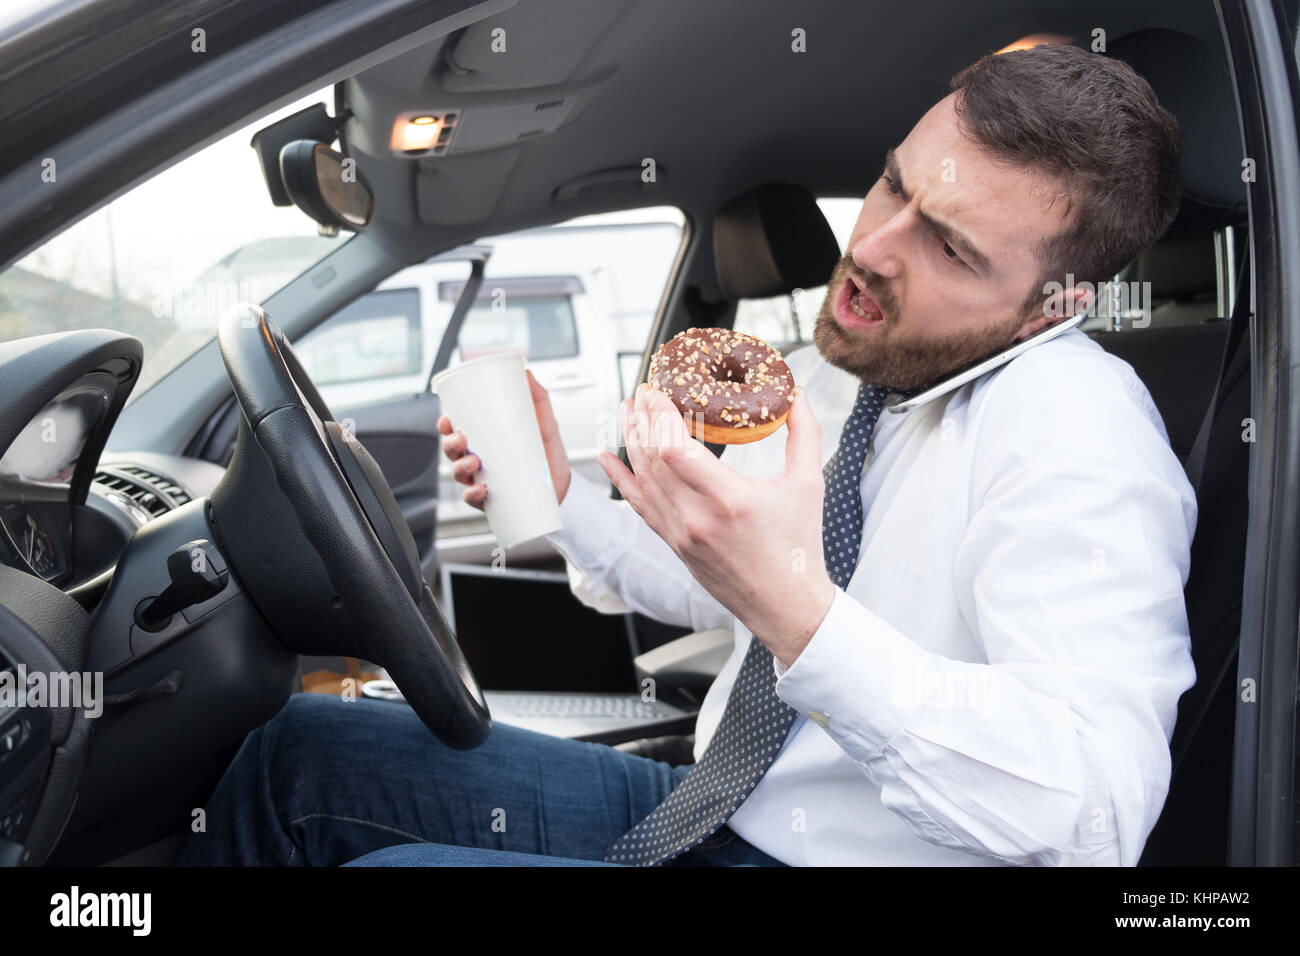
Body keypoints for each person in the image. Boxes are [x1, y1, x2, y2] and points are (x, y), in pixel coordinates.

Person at [177, 42, 1194, 867]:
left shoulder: (1080, 437)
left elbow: (1095, 811)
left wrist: (803, 618)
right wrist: (567, 493)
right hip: (714, 801)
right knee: (305, 753)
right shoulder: (853, 370)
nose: (874, 248)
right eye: (894, 188)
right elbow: (722, 577)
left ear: (1053, 306)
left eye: (953, 248)